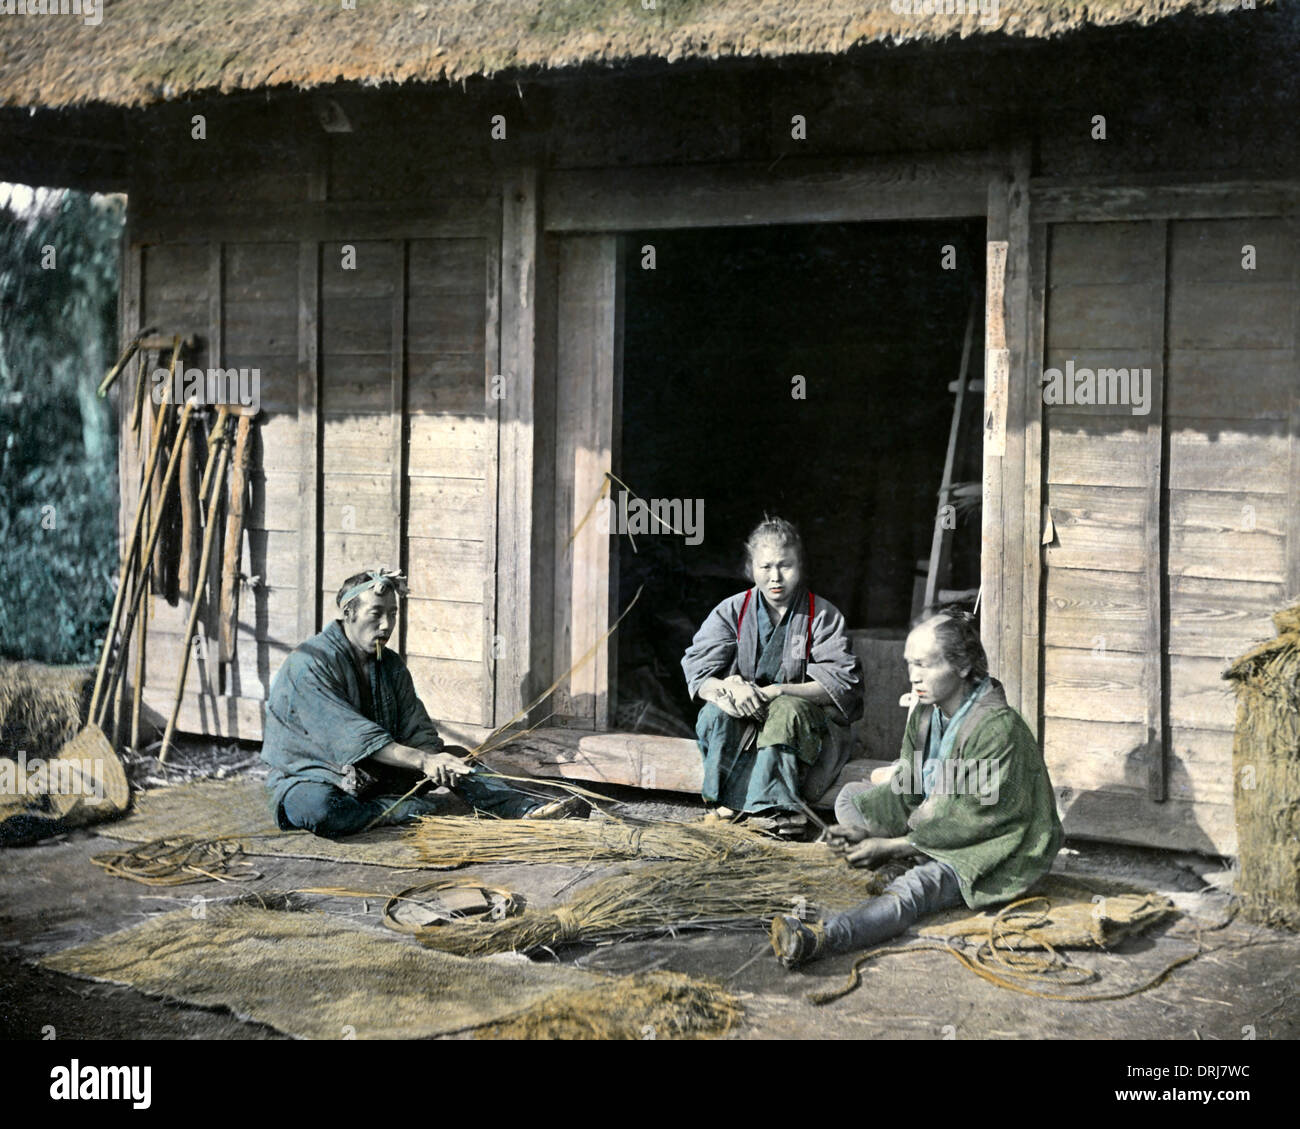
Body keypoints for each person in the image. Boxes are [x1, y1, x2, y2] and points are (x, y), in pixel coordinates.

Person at [769, 607, 1064, 966]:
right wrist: (861, 830)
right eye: (910, 664)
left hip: (996, 844)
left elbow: (974, 821)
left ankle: (820, 937)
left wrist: (892, 846)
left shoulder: (996, 728)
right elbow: (909, 786)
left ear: (963, 665)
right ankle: (904, 859)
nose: (913, 676)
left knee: (914, 890)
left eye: (925, 665)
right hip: (938, 821)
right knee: (852, 798)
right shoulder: (927, 713)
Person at [261, 568, 584, 837]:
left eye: (392, 614)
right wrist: (421, 761)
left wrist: (434, 759)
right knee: (320, 811)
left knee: (457, 759)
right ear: (348, 614)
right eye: (376, 614)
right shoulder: (309, 663)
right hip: (314, 776)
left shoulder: (390, 664)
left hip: (375, 773)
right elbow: (349, 736)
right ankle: (388, 810)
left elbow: (417, 728)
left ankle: (523, 808)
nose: (387, 626)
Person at [681, 516, 863, 837]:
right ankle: (727, 802)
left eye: (785, 566)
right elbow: (698, 671)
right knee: (714, 712)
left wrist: (779, 691)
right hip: (749, 720)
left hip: (807, 727)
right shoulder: (732, 610)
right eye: (765, 567)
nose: (775, 577)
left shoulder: (822, 615)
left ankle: (780, 810)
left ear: (801, 566)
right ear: (750, 568)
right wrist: (727, 687)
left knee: (786, 710)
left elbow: (841, 684)